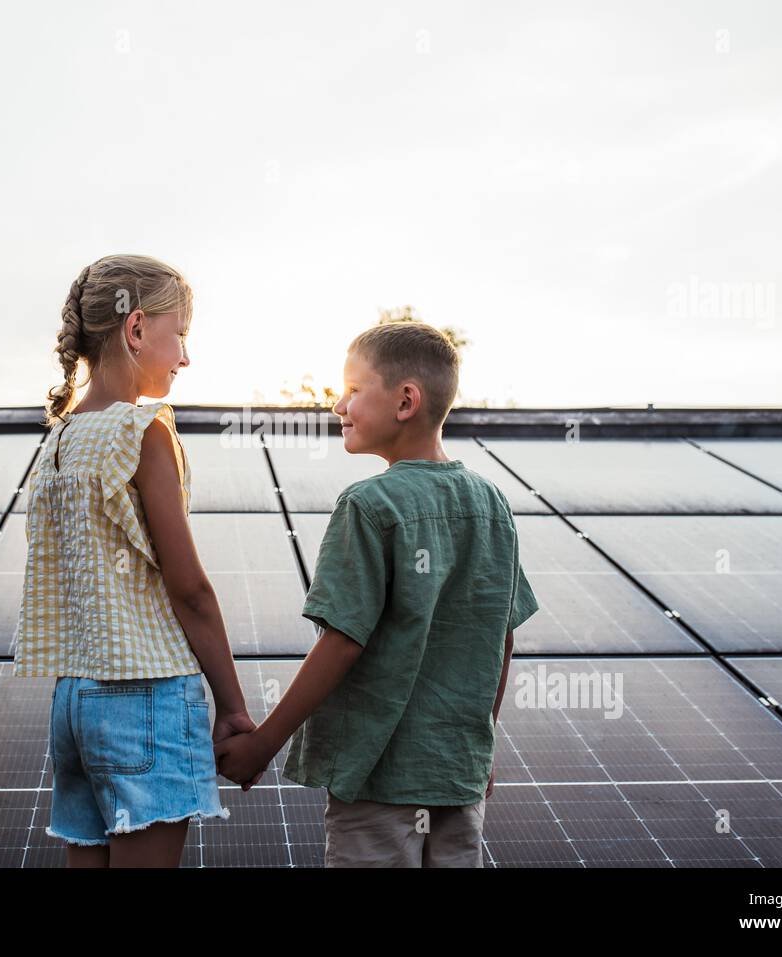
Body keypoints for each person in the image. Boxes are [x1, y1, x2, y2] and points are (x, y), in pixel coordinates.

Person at [214, 320, 540, 867]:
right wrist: (481, 743)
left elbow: (343, 641)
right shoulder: (492, 505)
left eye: (353, 390)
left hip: (379, 774)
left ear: (405, 401)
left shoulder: (369, 506)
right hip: (457, 775)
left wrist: (262, 744)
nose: (339, 405)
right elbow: (500, 637)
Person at [14, 254, 254, 867]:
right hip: (145, 695)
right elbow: (190, 588)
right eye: (181, 335)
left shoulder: (60, 440)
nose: (185, 357)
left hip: (74, 703)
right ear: (138, 328)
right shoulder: (142, 430)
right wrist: (231, 706)